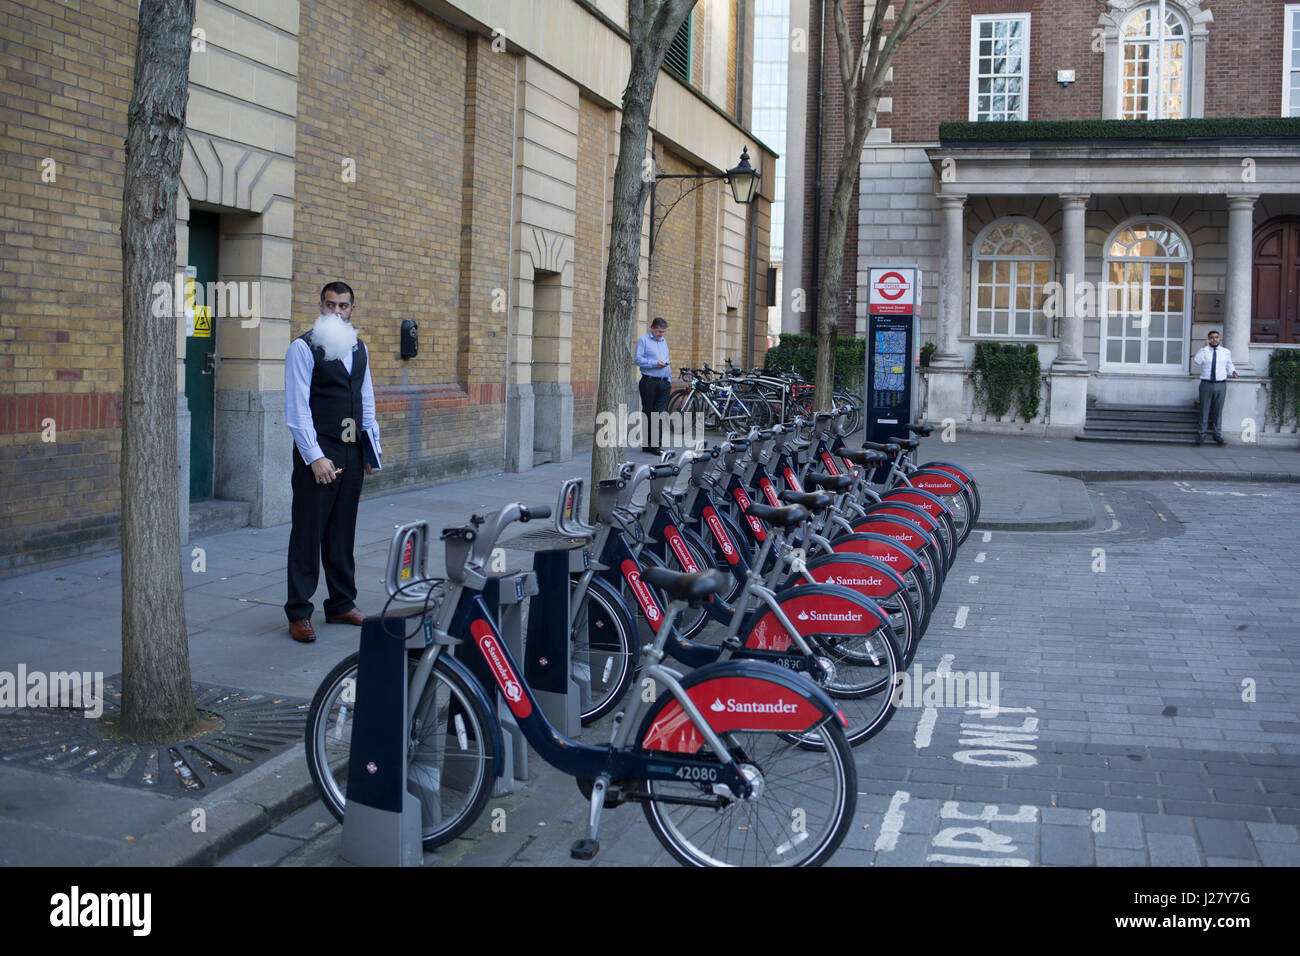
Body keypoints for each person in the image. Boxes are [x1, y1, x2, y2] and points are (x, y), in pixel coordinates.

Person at [283, 282, 378, 642]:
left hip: (352, 452)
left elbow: (365, 400)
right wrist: (314, 456)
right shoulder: (303, 348)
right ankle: (298, 611)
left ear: (352, 309)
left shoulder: (359, 348)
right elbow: (297, 410)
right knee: (308, 532)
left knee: (342, 531)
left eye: (343, 306)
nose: (336, 312)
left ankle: (340, 603)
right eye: (330, 305)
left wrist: (370, 451)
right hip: (320, 452)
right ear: (320, 306)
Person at [1192, 329, 1237, 446]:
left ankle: (1217, 435)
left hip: (1220, 384)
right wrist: (1205, 347)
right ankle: (1201, 435)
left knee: (1218, 411)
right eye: (1212, 337)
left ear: (1219, 339)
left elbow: (1229, 364)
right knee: (1204, 410)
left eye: (1216, 337)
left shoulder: (1225, 352)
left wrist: (1233, 371)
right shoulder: (1204, 351)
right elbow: (1197, 361)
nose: (1214, 339)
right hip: (1206, 384)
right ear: (1208, 339)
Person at [634, 317, 671, 454]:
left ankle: (655, 445)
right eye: (659, 331)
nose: (661, 334)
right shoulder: (644, 340)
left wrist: (669, 378)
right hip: (649, 382)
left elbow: (667, 359)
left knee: (659, 413)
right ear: (653, 328)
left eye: (663, 332)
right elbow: (638, 359)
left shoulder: (663, 341)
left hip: (663, 382)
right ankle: (648, 445)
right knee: (648, 412)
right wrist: (655, 364)